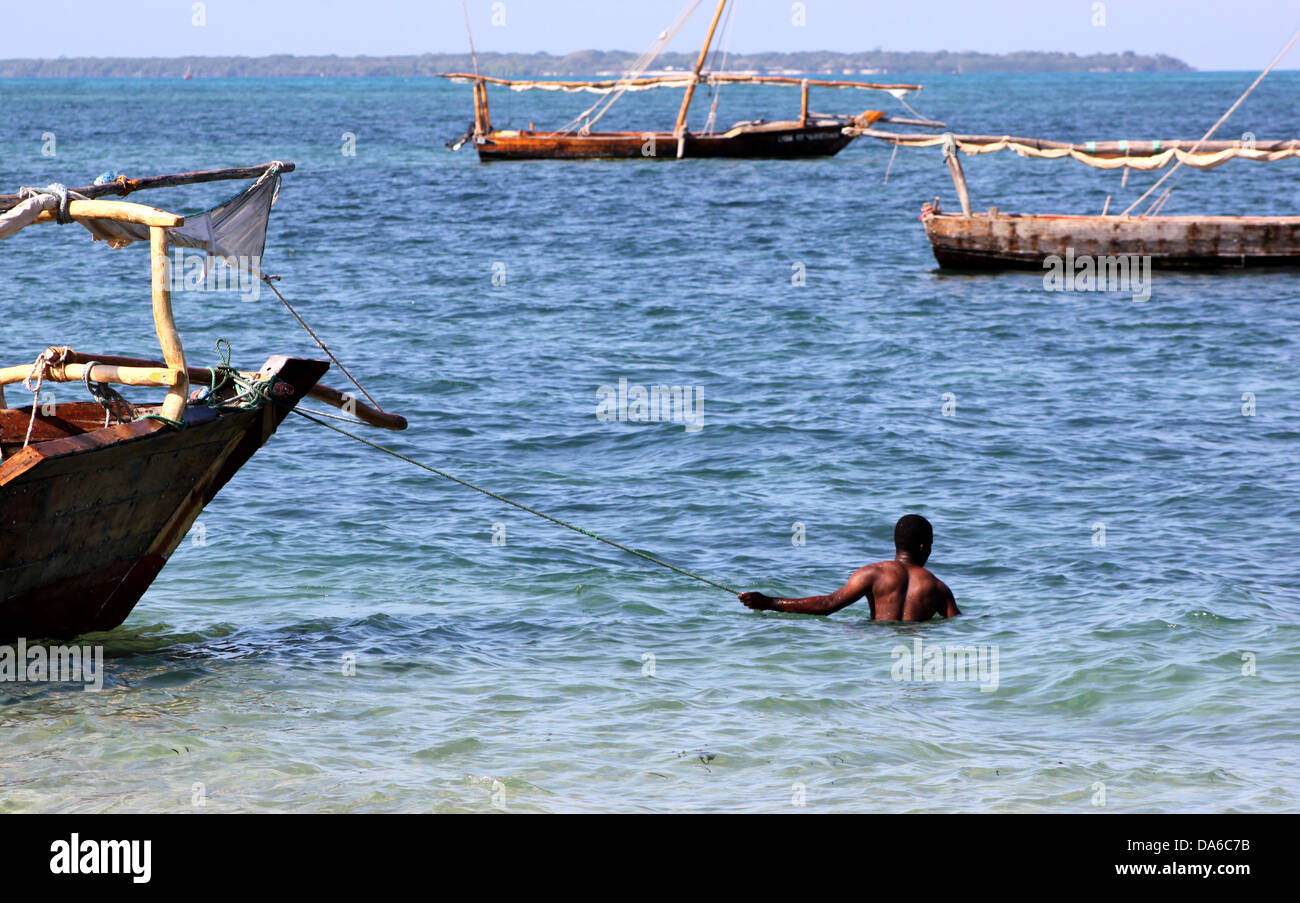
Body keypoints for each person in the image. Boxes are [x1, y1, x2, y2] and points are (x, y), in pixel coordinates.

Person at [737, 514, 959, 621]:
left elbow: (827, 605)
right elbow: (957, 625)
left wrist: (769, 602)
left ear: (896, 543)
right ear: (924, 548)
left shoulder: (873, 574)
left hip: (875, 650)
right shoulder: (938, 588)